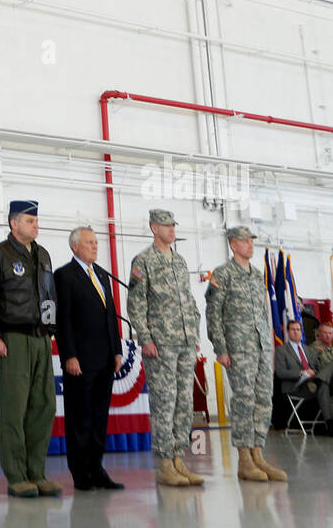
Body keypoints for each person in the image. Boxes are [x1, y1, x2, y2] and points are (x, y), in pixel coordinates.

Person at [0, 200, 61, 498]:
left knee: (44, 404)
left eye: (36, 221)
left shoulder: (43, 255)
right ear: (14, 223)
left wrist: (51, 332)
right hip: (12, 339)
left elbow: (49, 296)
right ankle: (16, 475)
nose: (36, 225)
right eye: (30, 221)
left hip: (40, 340)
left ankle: (37, 472)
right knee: (14, 407)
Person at [126, 208, 204, 487]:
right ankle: (164, 464)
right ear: (153, 228)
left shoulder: (180, 262)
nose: (172, 229)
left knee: (185, 402)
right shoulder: (143, 261)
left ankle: (179, 459)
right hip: (160, 343)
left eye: (173, 224)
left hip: (184, 341)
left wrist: (194, 329)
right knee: (164, 402)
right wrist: (145, 338)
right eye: (166, 225)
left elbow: (189, 300)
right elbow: (136, 303)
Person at [205, 226, 287, 482]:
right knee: (244, 400)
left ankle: (258, 454)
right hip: (238, 349)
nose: (251, 245)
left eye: (252, 241)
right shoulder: (222, 274)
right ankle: (244, 459)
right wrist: (220, 348)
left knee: (264, 399)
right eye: (245, 241)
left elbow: (263, 314)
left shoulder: (257, 275)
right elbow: (213, 314)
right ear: (233, 244)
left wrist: (269, 347)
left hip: (262, 347)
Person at [54, 226, 124, 491]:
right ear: (75, 246)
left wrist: (117, 350)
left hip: (105, 359)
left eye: (96, 242)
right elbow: (64, 320)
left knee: (98, 418)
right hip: (80, 361)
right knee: (79, 419)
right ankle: (81, 473)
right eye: (89, 242)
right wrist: (69, 355)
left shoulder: (102, 275)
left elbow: (112, 315)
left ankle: (97, 469)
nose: (95, 246)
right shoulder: (64, 275)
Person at [276, 318, 324, 426]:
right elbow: (280, 372)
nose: (296, 332)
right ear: (287, 332)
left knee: (324, 387)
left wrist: (313, 372)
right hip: (295, 385)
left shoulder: (309, 350)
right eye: (292, 329)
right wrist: (301, 373)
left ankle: (327, 423)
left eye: (298, 329)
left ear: (301, 332)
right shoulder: (281, 350)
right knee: (323, 387)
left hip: (312, 381)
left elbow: (317, 368)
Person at [307, 322, 333, 435]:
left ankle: (319, 380)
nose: (328, 335)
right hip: (320, 379)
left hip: (328, 381)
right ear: (319, 334)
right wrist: (316, 352)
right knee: (324, 386)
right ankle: (330, 423)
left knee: (323, 385)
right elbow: (309, 365)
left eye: (330, 333)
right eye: (325, 333)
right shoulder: (314, 346)